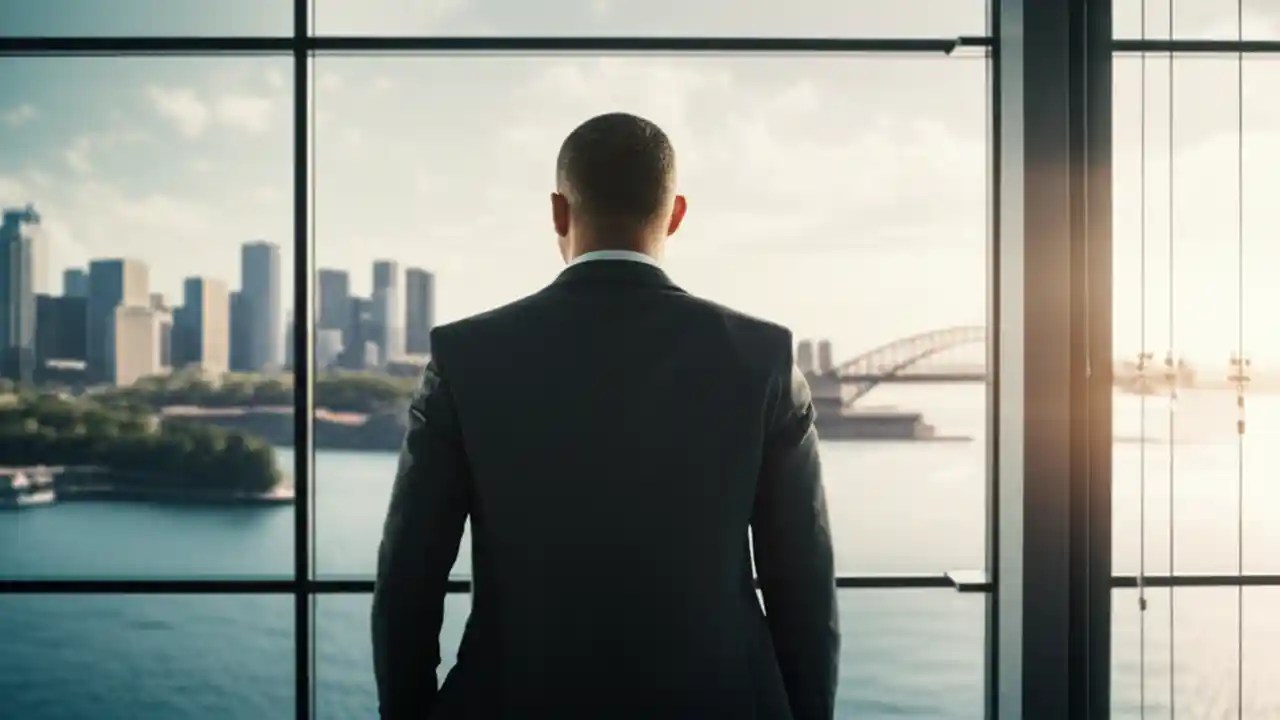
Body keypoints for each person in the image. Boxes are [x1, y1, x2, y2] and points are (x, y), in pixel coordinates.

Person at [372, 111, 839, 719]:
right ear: (675, 215)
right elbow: (803, 593)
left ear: (559, 213)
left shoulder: (465, 357)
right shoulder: (763, 359)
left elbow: (408, 583)